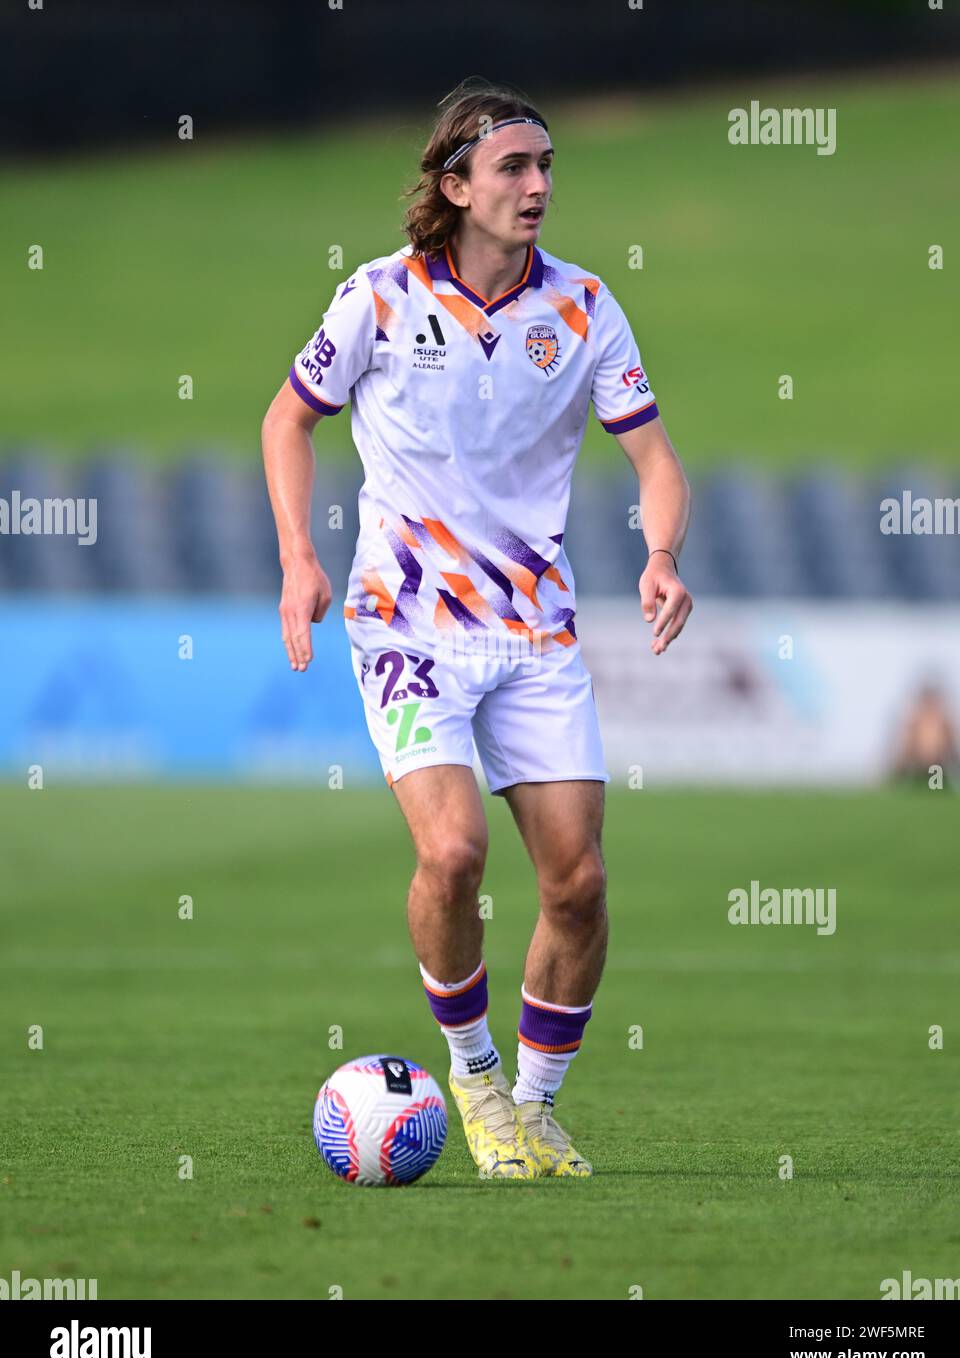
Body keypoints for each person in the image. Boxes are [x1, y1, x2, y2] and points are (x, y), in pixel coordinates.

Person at [262, 77, 693, 1179]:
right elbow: (287, 420)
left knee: (579, 884)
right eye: (514, 167)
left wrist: (658, 554)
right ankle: (475, 1074)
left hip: (536, 633)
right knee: (453, 850)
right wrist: (300, 553)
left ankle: (535, 1110)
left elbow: (653, 456)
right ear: (454, 185)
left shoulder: (586, 309)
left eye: (547, 166)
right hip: (405, 623)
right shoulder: (378, 297)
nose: (540, 185)